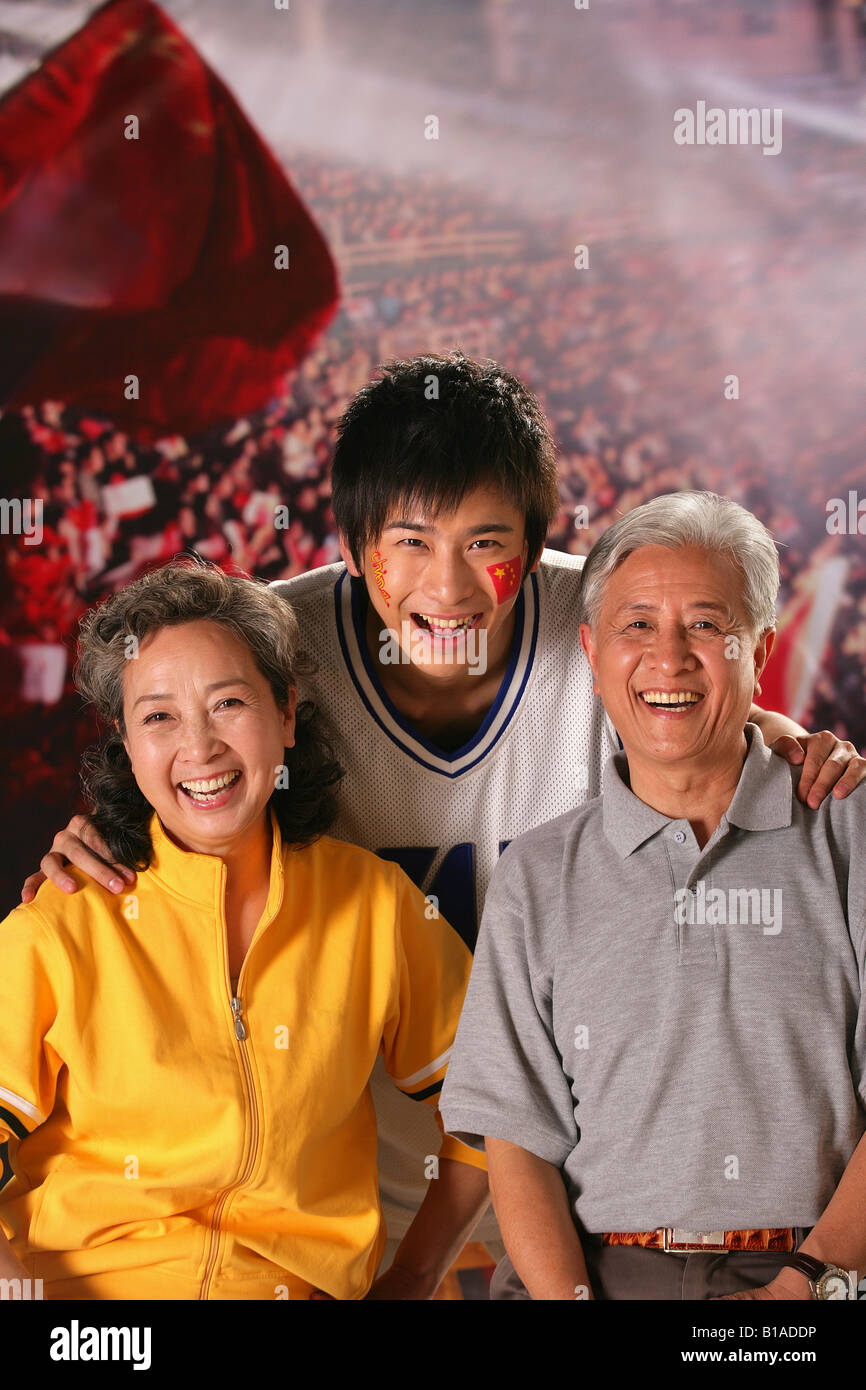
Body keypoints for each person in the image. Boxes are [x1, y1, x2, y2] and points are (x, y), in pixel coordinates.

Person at [20, 354, 866, 1282]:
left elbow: (698, 671)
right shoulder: (271, 649)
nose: (450, 586)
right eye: (410, 542)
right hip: (341, 1219)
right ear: (350, 547)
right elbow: (182, 742)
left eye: (486, 543)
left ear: (537, 549)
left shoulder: (616, 622)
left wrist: (776, 735)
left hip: (586, 1197)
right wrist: (111, 832)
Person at [0, 559, 487, 1300]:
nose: (199, 747)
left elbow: (497, 1104)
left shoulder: (377, 908)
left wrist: (416, 1274)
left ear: (286, 713)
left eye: (228, 703)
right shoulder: (60, 924)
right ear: (128, 749)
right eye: (157, 716)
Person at [440, 491, 865, 1301]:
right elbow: (515, 1136)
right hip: (590, 1275)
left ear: (760, 648)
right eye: (637, 626)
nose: (668, 658)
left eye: (706, 624)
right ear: (593, 654)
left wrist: (804, 1286)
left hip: (816, 1276)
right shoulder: (536, 872)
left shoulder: (851, 831)